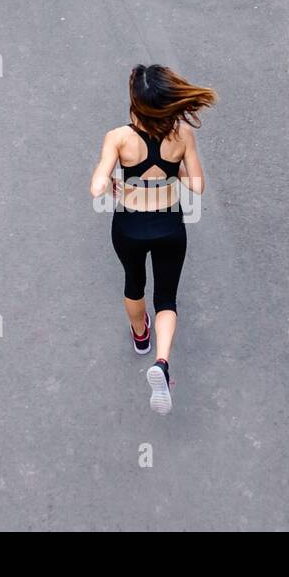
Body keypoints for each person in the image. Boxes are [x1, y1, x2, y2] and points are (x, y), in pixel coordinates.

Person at [89, 65, 214, 414]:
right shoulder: (183, 135)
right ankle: (161, 361)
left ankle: (141, 337)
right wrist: (172, 172)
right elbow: (198, 186)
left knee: (134, 283)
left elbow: (97, 186)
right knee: (167, 299)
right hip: (170, 227)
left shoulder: (117, 137)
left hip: (129, 228)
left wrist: (111, 182)